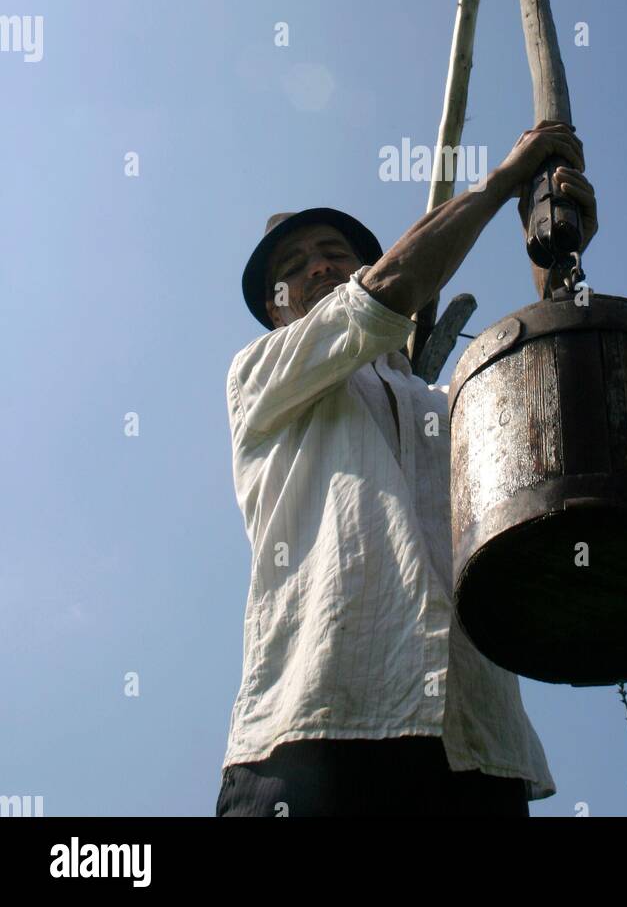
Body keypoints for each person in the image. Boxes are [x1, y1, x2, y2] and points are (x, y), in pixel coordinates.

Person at [216, 120, 598, 817]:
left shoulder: (448, 404)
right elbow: (386, 291)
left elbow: (550, 403)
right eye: (293, 268)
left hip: (472, 743)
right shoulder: (263, 377)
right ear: (275, 311)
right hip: (316, 726)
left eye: (334, 254)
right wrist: (503, 179)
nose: (318, 269)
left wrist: (551, 254)